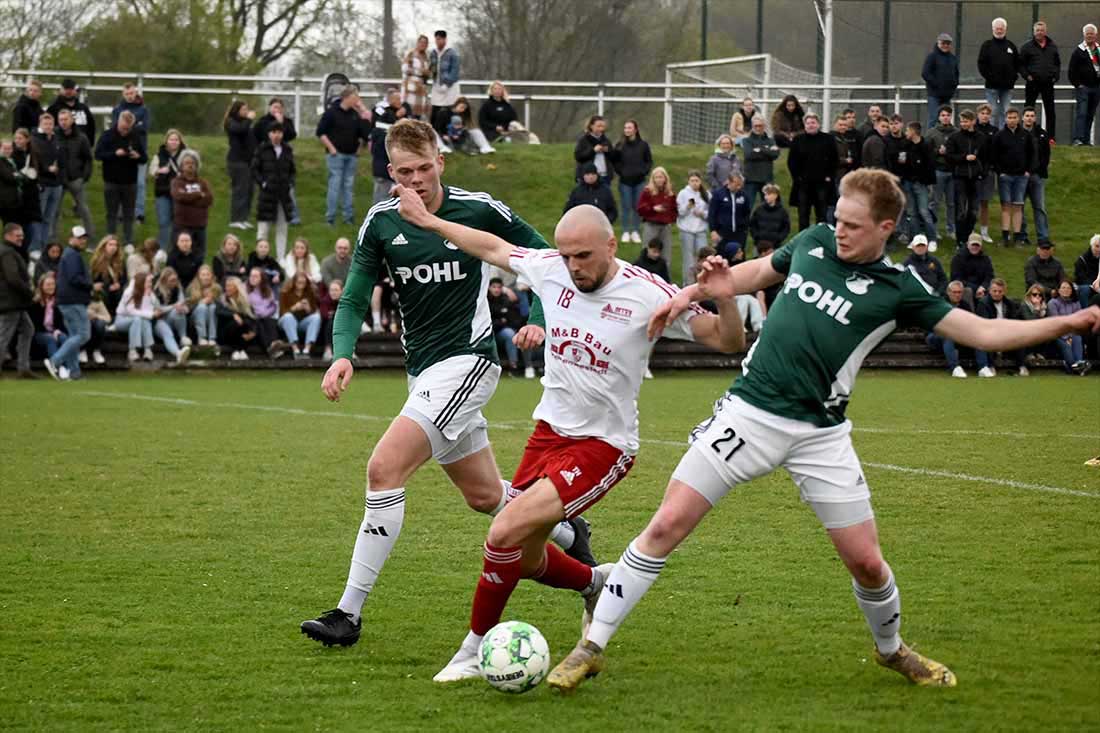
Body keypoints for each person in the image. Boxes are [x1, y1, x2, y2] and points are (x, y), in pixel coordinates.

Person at [546, 167, 1100, 693]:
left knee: (866, 561)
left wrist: (1069, 321)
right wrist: (692, 294)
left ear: (886, 228)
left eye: (854, 226)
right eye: (838, 219)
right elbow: (750, 274)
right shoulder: (811, 241)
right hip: (748, 413)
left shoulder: (898, 288)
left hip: (820, 434)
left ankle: (891, 648)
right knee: (666, 525)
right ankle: (590, 647)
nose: (840, 231)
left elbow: (981, 332)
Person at [391, 187, 745, 683]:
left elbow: (727, 342)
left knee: (502, 531)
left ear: (610, 247)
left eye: (583, 255)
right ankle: (595, 581)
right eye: (566, 254)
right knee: (528, 555)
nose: (574, 265)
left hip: (604, 445)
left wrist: (726, 300)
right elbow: (491, 247)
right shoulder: (550, 269)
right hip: (547, 434)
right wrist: (430, 221)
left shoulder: (649, 293)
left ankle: (473, 649)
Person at [304, 118, 593, 649]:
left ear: (441, 161)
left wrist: (539, 317)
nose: (415, 181)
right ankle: (570, 532)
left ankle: (348, 613)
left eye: (424, 168)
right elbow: (351, 297)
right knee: (484, 496)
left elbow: (548, 263)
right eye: (404, 172)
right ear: (390, 172)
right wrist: (342, 354)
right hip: (424, 374)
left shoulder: (478, 209)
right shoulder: (379, 223)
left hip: (470, 363)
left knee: (384, 468)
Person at [316, 85, 372, 226]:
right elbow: (320, 132)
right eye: (355, 97)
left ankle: (348, 217)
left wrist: (363, 111)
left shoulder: (355, 114)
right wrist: (331, 148)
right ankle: (330, 218)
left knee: (348, 187)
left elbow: (365, 133)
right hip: (336, 155)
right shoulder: (331, 112)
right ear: (347, 97)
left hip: (351, 156)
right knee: (334, 186)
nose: (358, 100)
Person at [94, 110, 146, 246]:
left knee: (129, 214)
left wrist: (137, 156)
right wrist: (114, 154)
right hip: (111, 181)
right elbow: (98, 154)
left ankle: (128, 241)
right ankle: (111, 241)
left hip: (130, 182)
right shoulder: (107, 135)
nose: (125, 131)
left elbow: (145, 158)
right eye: (123, 128)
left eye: (128, 129)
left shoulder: (135, 136)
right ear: (119, 121)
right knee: (111, 213)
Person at [990, 109, 1037, 246]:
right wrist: (1000, 172)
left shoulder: (1025, 135)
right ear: (1005, 119)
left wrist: (1028, 170)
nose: (1012, 120)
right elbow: (994, 156)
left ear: (1018, 119)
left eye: (1014, 117)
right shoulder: (999, 135)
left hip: (1021, 176)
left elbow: (1032, 154)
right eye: (1009, 117)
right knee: (1006, 207)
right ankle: (1005, 237)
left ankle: (1017, 237)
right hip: (1005, 177)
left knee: (1018, 206)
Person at [253, 98, 301, 225]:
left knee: (288, 192)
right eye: (274, 107)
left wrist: (282, 123)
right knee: (268, 195)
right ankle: (270, 218)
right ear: (269, 108)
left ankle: (293, 217)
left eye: (279, 107)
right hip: (267, 160)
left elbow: (292, 135)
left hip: (283, 159)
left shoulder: (287, 121)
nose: (277, 110)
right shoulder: (263, 121)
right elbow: (257, 133)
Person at [787, 113, 838, 232]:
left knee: (822, 215)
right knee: (803, 215)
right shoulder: (798, 140)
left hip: (823, 184)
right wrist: (797, 178)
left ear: (818, 124)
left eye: (813, 123)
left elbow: (834, 159)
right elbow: (791, 162)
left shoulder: (828, 139)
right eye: (808, 123)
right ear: (804, 125)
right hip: (803, 185)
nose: (811, 125)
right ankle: (803, 240)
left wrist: (829, 176)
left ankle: (820, 239)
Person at [252, 122, 296, 259]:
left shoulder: (287, 150)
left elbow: (292, 171)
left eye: (279, 132)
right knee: (263, 228)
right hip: (267, 195)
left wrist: (290, 183)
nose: (277, 135)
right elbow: (254, 169)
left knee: (282, 228)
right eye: (274, 132)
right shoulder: (262, 149)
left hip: (283, 195)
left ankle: (280, 257)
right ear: (269, 134)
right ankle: (260, 256)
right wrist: (263, 183)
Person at [971, 278, 1031, 377]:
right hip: (990, 333)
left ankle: (1022, 366)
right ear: (989, 290)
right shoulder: (983, 303)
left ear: (1004, 291)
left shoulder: (1009, 304)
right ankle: (990, 366)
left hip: (1006, 334)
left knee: (1020, 337)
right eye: (994, 291)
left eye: (1000, 291)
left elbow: (1014, 321)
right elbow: (985, 324)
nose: (997, 293)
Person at [945, 110, 989, 244]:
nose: (963, 124)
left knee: (974, 211)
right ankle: (960, 240)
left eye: (966, 121)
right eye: (962, 121)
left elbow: (987, 157)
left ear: (973, 121)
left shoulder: (981, 137)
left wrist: (982, 172)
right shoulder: (954, 137)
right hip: (960, 178)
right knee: (961, 210)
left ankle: (968, 236)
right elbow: (949, 156)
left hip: (976, 179)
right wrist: (964, 158)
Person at [111, 84, 151, 223]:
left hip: (139, 150)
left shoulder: (143, 109)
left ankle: (139, 214)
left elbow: (144, 128)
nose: (130, 95)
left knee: (139, 183)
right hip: (122, 151)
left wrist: (127, 126)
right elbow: (116, 128)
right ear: (123, 94)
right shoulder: (117, 109)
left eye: (132, 93)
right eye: (127, 93)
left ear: (136, 93)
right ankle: (122, 214)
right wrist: (135, 125)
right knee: (122, 182)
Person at [0, 223, 35, 378]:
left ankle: (23, 369)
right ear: (7, 236)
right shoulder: (8, 253)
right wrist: (28, 292)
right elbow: (13, 278)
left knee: (27, 329)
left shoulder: (9, 251)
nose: (21, 237)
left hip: (14, 301)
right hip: (11, 301)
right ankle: (23, 369)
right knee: (4, 335)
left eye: (22, 234)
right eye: (18, 235)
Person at [54, 109, 94, 239]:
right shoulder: (54, 135)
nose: (63, 122)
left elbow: (88, 158)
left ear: (71, 120)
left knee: (84, 210)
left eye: (66, 119)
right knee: (54, 211)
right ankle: (52, 239)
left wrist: (84, 177)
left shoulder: (81, 137)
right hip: (58, 180)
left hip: (76, 179)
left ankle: (90, 239)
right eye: (61, 120)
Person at [1019, 21, 1062, 141]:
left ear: (1045, 31)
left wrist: (1055, 76)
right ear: (1034, 32)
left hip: (1048, 83)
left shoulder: (1052, 46)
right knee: (1028, 108)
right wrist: (1027, 76)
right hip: (1032, 83)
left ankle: (1051, 138)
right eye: (1037, 30)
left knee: (1050, 110)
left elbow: (1057, 63)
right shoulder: (1027, 47)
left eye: (1042, 30)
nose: (1039, 32)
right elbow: (1020, 65)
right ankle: (1025, 135)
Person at [611, 120, 652, 244]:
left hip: (639, 181)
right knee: (626, 206)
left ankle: (635, 231)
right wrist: (621, 172)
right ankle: (625, 231)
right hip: (625, 181)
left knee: (637, 207)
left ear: (635, 129)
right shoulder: (620, 145)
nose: (627, 130)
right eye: (625, 128)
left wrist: (643, 171)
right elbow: (615, 161)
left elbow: (648, 161)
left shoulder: (643, 145)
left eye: (629, 128)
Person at [30, 113, 64, 256]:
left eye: (50, 124)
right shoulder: (34, 140)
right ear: (40, 124)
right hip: (42, 183)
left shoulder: (56, 139)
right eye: (45, 124)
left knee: (48, 218)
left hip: (56, 184)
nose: (48, 127)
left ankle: (44, 246)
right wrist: (47, 168)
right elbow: (35, 160)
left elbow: (61, 158)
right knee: (38, 216)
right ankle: (34, 247)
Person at [169, 150, 213, 262]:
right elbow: (179, 196)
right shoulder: (176, 182)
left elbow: (208, 199)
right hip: (182, 226)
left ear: (197, 166)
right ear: (181, 166)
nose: (190, 165)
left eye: (193, 163)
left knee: (199, 257)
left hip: (199, 226)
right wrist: (198, 194)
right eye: (187, 163)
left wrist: (188, 198)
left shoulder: (203, 183)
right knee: (179, 256)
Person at [899, 122, 938, 248]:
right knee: (912, 212)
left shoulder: (926, 146)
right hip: (908, 183)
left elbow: (930, 165)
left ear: (913, 132)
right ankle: (916, 239)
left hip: (921, 184)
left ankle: (932, 239)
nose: (905, 133)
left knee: (924, 211)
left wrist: (925, 181)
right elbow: (903, 162)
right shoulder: (905, 145)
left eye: (907, 130)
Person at [370, 89, 411, 205]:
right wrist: (396, 116)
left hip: (398, 163)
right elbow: (381, 127)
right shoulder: (380, 110)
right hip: (382, 163)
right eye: (397, 99)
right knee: (381, 196)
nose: (400, 102)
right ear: (390, 99)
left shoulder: (404, 110)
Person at [978, 18, 1020, 128]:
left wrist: (1013, 78)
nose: (999, 30)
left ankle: (1004, 136)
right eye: (997, 28)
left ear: (1005, 30)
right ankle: (990, 137)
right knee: (991, 112)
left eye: (1001, 28)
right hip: (991, 87)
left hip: (1007, 87)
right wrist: (990, 77)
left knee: (1006, 112)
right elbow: (981, 64)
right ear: (993, 29)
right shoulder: (986, 45)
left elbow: (1017, 64)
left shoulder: (1011, 45)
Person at [926, 280, 971, 378]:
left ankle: (984, 367)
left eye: (959, 292)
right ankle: (954, 368)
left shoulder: (965, 306)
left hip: (958, 337)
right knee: (948, 335)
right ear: (948, 292)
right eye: (954, 292)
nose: (957, 295)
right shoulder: (939, 304)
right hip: (935, 336)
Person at [222, 100, 256, 230]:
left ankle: (244, 218)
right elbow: (240, 130)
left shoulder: (245, 123)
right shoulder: (231, 122)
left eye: (247, 109)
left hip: (248, 161)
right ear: (236, 110)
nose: (246, 112)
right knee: (240, 190)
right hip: (237, 161)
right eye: (243, 109)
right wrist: (249, 120)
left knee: (249, 190)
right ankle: (235, 219)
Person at [1019, 107, 1051, 245]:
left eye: (1032, 115)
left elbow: (1046, 155)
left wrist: (1040, 169)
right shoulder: (1017, 133)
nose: (1029, 118)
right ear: (1022, 118)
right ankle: (1021, 235)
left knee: (1039, 207)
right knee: (1019, 207)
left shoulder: (1042, 134)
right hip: (1020, 176)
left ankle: (1043, 237)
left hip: (1037, 176)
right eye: (1027, 115)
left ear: (1035, 118)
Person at [926, 106, 957, 241]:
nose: (945, 117)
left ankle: (951, 229)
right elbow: (925, 151)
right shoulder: (932, 132)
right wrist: (937, 152)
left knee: (952, 203)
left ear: (951, 117)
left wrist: (949, 152)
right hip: (938, 171)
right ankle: (934, 229)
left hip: (953, 172)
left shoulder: (956, 132)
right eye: (943, 115)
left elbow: (960, 151)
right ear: (939, 117)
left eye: (948, 115)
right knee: (935, 202)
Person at [636, 167, 676, 269]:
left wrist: (671, 219)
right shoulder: (647, 191)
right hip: (651, 224)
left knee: (666, 253)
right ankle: (646, 275)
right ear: (653, 179)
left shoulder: (669, 193)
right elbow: (640, 208)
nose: (659, 179)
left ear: (665, 179)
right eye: (656, 177)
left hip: (665, 225)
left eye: (661, 177)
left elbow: (674, 208)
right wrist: (653, 209)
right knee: (648, 251)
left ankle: (664, 278)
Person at [29, 272, 71, 368]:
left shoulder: (57, 302)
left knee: (64, 338)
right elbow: (35, 325)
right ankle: (57, 366)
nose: (51, 287)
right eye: (48, 285)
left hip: (53, 331)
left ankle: (69, 369)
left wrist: (58, 330)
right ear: (42, 286)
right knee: (50, 339)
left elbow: (60, 323)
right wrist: (52, 333)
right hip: (38, 333)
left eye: (53, 284)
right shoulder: (35, 303)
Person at [153, 129, 186, 252]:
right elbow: (152, 171)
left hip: (179, 194)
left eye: (176, 140)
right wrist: (159, 171)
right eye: (171, 139)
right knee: (163, 221)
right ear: (166, 141)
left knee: (178, 223)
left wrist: (182, 174)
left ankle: (176, 248)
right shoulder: (159, 154)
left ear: (180, 141)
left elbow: (193, 170)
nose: (173, 142)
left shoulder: (185, 155)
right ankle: (162, 249)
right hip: (162, 192)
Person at [1048, 280, 1091, 374]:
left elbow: (1078, 322)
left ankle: (1078, 364)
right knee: (1066, 347)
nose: (1066, 290)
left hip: (1073, 333)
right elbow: (1056, 323)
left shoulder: (1076, 303)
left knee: (1077, 338)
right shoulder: (1052, 303)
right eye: (1063, 288)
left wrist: (1071, 335)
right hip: (1057, 334)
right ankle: (1076, 367)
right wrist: (1066, 337)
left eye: (1068, 288)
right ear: (1058, 290)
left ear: (1072, 290)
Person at [152, 266, 192, 365]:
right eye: (172, 280)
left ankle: (183, 336)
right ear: (165, 280)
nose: (174, 283)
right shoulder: (156, 291)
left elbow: (182, 302)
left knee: (179, 311)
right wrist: (174, 306)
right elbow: (158, 309)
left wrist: (183, 308)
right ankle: (178, 353)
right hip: (158, 320)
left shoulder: (178, 288)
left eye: (175, 280)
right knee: (167, 333)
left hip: (171, 318)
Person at [114, 270, 157, 362]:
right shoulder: (129, 292)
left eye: (151, 282)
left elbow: (149, 311)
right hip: (122, 320)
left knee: (144, 320)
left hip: (139, 320)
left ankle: (147, 349)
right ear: (141, 282)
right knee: (138, 318)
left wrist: (147, 296)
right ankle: (132, 350)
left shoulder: (149, 293)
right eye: (148, 282)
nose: (151, 284)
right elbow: (131, 311)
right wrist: (151, 314)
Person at [676, 171, 710, 285]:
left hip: (701, 230)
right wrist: (688, 207)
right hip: (687, 230)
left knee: (704, 258)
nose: (695, 183)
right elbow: (679, 212)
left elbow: (711, 213)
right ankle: (688, 284)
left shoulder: (706, 194)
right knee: (688, 260)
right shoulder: (683, 193)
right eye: (692, 181)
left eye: (697, 181)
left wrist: (702, 213)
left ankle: (704, 282)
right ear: (688, 181)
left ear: (700, 182)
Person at [1068, 24, 1100, 146]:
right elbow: (1072, 70)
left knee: (1091, 114)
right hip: (1083, 87)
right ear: (1084, 35)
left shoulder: (1098, 50)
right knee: (1082, 113)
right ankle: (1078, 138)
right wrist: (1077, 84)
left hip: (1096, 87)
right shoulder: (1079, 51)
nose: (1090, 36)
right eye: (1088, 34)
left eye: (1092, 33)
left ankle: (1086, 139)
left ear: (1095, 35)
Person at [709, 173, 751, 263]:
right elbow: (712, 214)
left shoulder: (744, 196)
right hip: (722, 233)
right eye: (737, 185)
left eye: (741, 185)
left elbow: (747, 213)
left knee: (739, 259)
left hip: (739, 234)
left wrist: (745, 229)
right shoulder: (718, 194)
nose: (739, 187)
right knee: (721, 258)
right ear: (729, 182)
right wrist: (713, 230)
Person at [278, 270, 321, 358]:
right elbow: (281, 313)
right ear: (294, 282)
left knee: (316, 317)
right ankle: (295, 349)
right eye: (299, 282)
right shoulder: (285, 293)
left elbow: (313, 312)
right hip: (286, 321)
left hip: (302, 322)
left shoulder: (310, 293)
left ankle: (307, 349)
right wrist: (294, 308)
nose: (301, 284)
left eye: (303, 283)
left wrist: (308, 309)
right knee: (288, 317)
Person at [485, 276, 524, 371]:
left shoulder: (506, 300)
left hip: (501, 332)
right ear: (489, 288)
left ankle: (513, 365)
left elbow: (514, 318)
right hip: (487, 332)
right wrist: (501, 321)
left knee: (510, 334)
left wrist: (501, 322)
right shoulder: (485, 301)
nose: (496, 290)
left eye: (499, 287)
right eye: (494, 287)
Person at [246, 266, 287, 358]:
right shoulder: (245, 290)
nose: (252, 278)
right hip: (252, 318)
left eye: (256, 276)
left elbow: (273, 306)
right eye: (251, 276)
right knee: (259, 322)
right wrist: (262, 313)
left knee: (270, 321)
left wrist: (265, 313)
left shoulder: (267, 291)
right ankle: (270, 347)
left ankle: (273, 344)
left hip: (266, 317)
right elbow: (249, 308)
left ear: (261, 278)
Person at [973, 104, 999, 243]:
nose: (984, 115)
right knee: (972, 202)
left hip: (988, 171)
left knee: (984, 203)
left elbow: (995, 151)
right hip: (973, 171)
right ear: (978, 115)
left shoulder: (994, 131)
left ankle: (984, 231)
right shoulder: (973, 129)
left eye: (987, 113)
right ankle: (970, 229)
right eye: (982, 113)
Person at [922, 34, 959, 129]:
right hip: (934, 94)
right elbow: (925, 73)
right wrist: (936, 84)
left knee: (946, 119)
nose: (945, 45)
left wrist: (953, 86)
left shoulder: (953, 58)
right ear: (938, 43)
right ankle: (930, 141)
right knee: (934, 118)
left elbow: (956, 74)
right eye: (943, 43)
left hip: (947, 95)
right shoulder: (932, 57)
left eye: (948, 43)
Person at [429, 30, 462, 137]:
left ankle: (448, 133)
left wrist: (447, 84)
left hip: (450, 86)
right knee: (435, 108)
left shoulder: (452, 53)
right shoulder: (433, 53)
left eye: (440, 39)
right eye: (436, 39)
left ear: (445, 39)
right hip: (437, 84)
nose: (438, 41)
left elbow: (455, 71)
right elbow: (431, 68)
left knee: (449, 109)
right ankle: (434, 132)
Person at [741, 117, 779, 208]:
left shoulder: (771, 140)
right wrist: (767, 150)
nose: (758, 128)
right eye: (756, 126)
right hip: (751, 179)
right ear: (752, 126)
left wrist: (759, 150)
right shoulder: (746, 140)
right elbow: (749, 155)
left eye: (760, 126)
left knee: (768, 206)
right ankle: (745, 223)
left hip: (767, 179)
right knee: (747, 207)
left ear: (764, 126)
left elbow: (775, 154)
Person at [217, 275, 257, 360]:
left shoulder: (245, 302)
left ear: (237, 288)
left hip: (241, 331)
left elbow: (252, 318)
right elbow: (219, 311)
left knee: (246, 323)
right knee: (236, 323)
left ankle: (240, 350)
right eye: (226, 286)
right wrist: (233, 314)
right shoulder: (222, 299)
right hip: (225, 332)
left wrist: (253, 331)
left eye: (230, 286)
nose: (227, 288)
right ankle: (237, 350)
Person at [950, 233, 996, 307]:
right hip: (964, 289)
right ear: (968, 244)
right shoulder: (958, 258)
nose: (975, 247)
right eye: (973, 244)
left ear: (981, 246)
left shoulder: (986, 259)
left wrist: (983, 287)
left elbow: (990, 276)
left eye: (977, 245)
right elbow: (956, 279)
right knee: (968, 292)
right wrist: (976, 289)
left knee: (995, 290)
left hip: (982, 289)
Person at [46, 79, 95, 146]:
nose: (68, 91)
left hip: (81, 148)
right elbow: (47, 126)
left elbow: (91, 126)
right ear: (61, 90)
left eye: (71, 89)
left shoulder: (83, 108)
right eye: (66, 89)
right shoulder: (53, 109)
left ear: (75, 91)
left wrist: (89, 144)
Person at [89, 234, 126, 318]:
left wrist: (119, 284)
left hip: (118, 292)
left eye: (115, 245)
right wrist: (108, 286)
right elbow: (95, 279)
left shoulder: (120, 260)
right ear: (104, 246)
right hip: (104, 292)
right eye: (110, 245)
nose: (113, 247)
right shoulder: (97, 261)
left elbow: (124, 277)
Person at [748, 183, 791, 253]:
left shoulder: (782, 212)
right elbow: (752, 225)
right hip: (759, 246)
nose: (765, 197)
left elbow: (786, 228)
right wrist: (756, 236)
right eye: (765, 194)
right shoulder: (759, 210)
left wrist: (778, 238)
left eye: (768, 194)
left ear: (775, 195)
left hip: (775, 247)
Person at [187, 264, 221, 346]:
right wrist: (201, 302)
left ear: (211, 276)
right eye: (203, 275)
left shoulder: (217, 288)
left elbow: (222, 306)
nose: (206, 277)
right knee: (202, 307)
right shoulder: (192, 287)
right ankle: (202, 337)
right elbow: (188, 308)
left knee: (212, 307)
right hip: (195, 318)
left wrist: (213, 301)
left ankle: (212, 338)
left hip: (211, 316)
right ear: (198, 276)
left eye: (208, 275)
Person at [574, 116, 613, 186]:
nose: (601, 129)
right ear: (591, 126)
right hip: (587, 178)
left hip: (604, 178)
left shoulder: (606, 140)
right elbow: (578, 157)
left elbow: (613, 158)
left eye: (603, 126)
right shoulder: (583, 140)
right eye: (598, 126)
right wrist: (593, 151)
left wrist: (608, 151)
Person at [402, 35, 432, 120]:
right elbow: (405, 68)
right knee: (409, 110)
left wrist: (426, 73)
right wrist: (420, 71)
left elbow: (429, 72)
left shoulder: (426, 57)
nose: (423, 44)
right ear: (418, 43)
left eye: (425, 43)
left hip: (422, 86)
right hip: (411, 85)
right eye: (421, 42)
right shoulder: (411, 54)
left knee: (420, 112)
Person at [1074, 234, 1100, 306]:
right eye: (1097, 246)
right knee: (1085, 289)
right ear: (1091, 246)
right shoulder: (1082, 260)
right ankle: (1087, 311)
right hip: (1087, 285)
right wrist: (1094, 285)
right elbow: (1080, 278)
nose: (1099, 249)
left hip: (1098, 285)